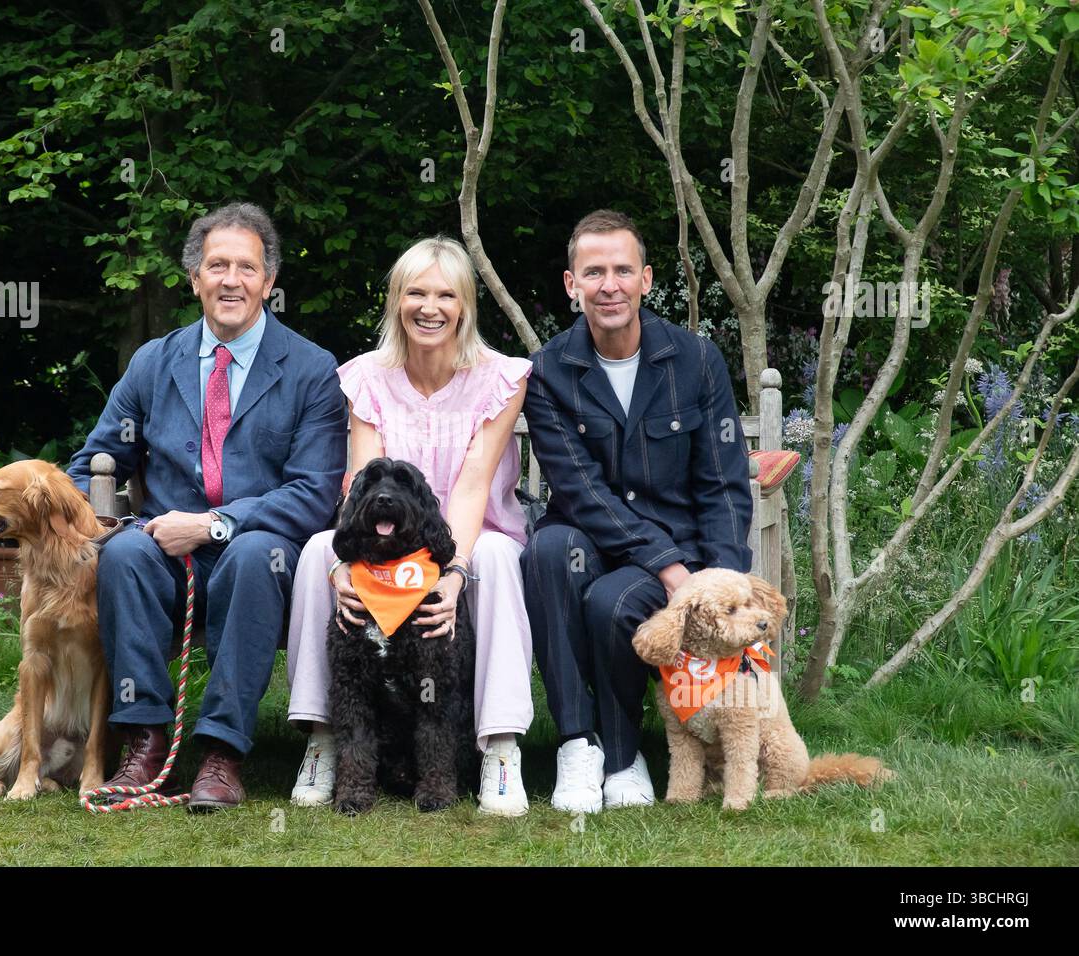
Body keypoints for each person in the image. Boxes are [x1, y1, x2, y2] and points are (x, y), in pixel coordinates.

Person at [67, 202, 347, 811]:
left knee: (253, 553)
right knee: (126, 554)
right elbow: (92, 464)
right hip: (166, 548)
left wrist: (216, 523)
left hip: (261, 548)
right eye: (216, 265)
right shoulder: (153, 362)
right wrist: (104, 521)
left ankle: (222, 753)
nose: (231, 280)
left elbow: (314, 490)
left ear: (269, 283)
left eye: (246, 268)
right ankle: (145, 738)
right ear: (194, 278)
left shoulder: (311, 370)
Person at [285, 236, 535, 816]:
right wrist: (346, 564)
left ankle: (499, 746)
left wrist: (452, 573)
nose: (430, 307)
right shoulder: (366, 378)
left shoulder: (501, 378)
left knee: (496, 557)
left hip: (471, 536)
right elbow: (362, 480)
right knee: (317, 551)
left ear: (465, 306)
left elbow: (474, 485)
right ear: (397, 301)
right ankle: (324, 739)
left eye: (446, 294)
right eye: (416, 292)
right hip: (384, 542)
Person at [520, 209, 753, 813]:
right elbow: (580, 490)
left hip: (678, 544)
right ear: (572, 285)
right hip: (592, 533)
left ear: (646, 279)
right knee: (546, 550)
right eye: (592, 272)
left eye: (622, 270)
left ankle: (623, 756)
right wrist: (670, 568)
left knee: (612, 603)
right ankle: (577, 744)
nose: (609, 285)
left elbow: (725, 484)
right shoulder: (548, 371)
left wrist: (722, 585)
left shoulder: (696, 360)